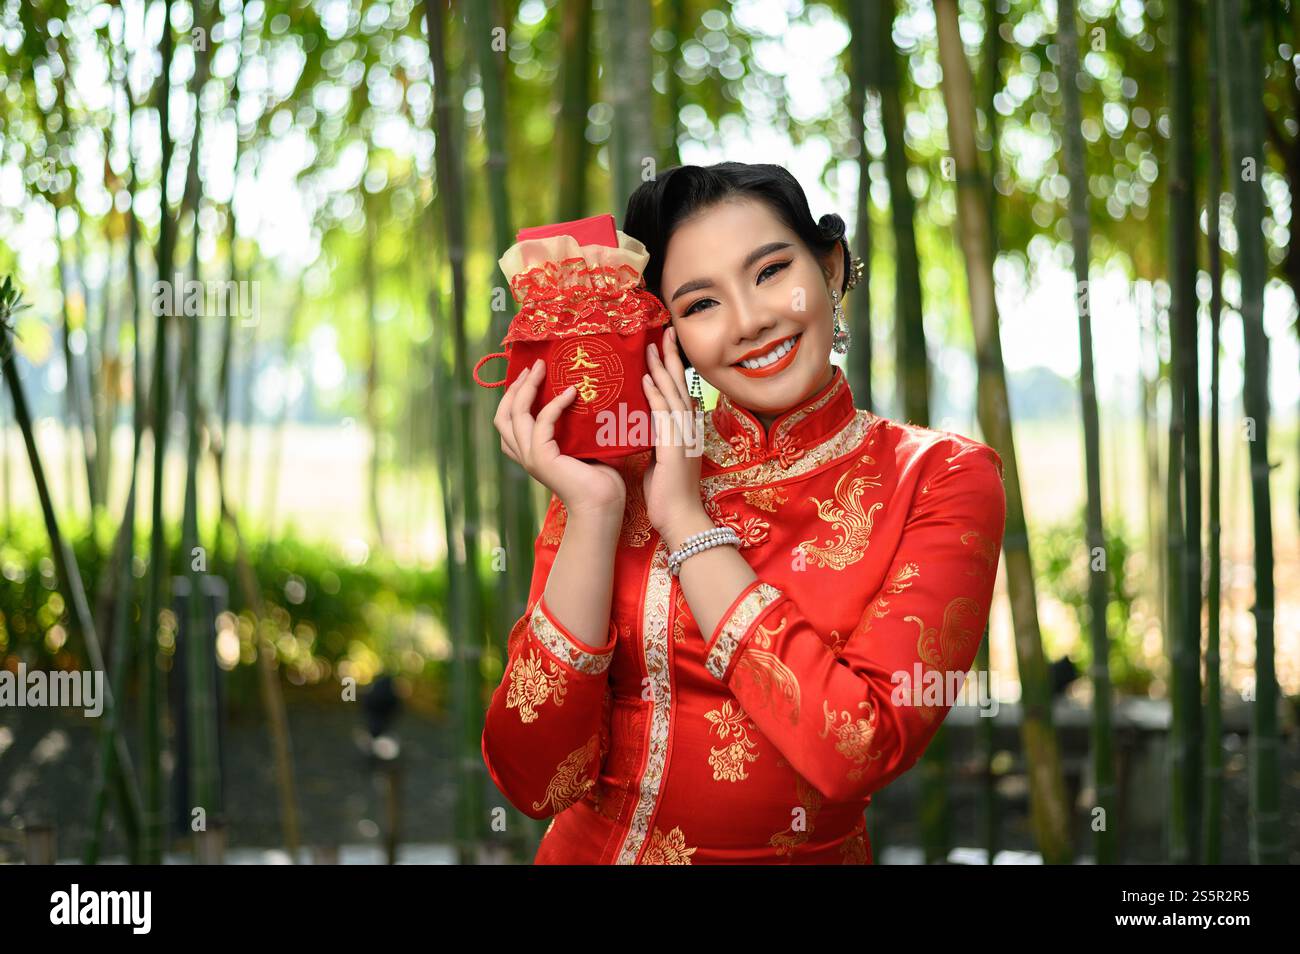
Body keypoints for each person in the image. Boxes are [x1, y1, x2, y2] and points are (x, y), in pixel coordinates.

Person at [481, 162, 1007, 864]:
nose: (751, 320)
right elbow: (536, 781)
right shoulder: (611, 477)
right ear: (667, 334)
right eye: (701, 304)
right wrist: (594, 509)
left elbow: (858, 748)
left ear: (830, 266)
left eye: (769, 272)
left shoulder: (939, 478)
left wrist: (685, 521)